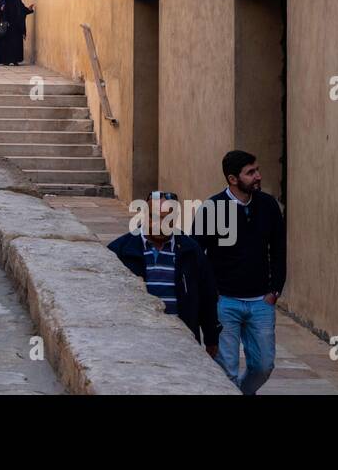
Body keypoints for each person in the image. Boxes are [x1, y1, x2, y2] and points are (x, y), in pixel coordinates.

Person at [195, 150, 286, 395]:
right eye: (251, 172)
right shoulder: (212, 208)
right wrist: (210, 295)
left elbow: (279, 251)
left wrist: (275, 290)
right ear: (233, 179)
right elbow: (195, 255)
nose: (258, 176)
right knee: (227, 370)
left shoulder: (268, 205)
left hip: (261, 302)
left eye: (257, 170)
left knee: (264, 366)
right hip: (224, 302)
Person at [108, 192, 221, 356]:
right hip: (137, 339)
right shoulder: (120, 250)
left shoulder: (191, 250)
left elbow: (207, 296)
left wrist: (211, 338)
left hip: (182, 340)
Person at [0, 0, 33, 66]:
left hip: (15, 27)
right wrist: (1, 9)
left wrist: (29, 9)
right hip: (5, 26)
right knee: (5, 44)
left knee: (15, 44)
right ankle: (5, 60)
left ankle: (15, 60)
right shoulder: (2, 0)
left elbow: (22, 10)